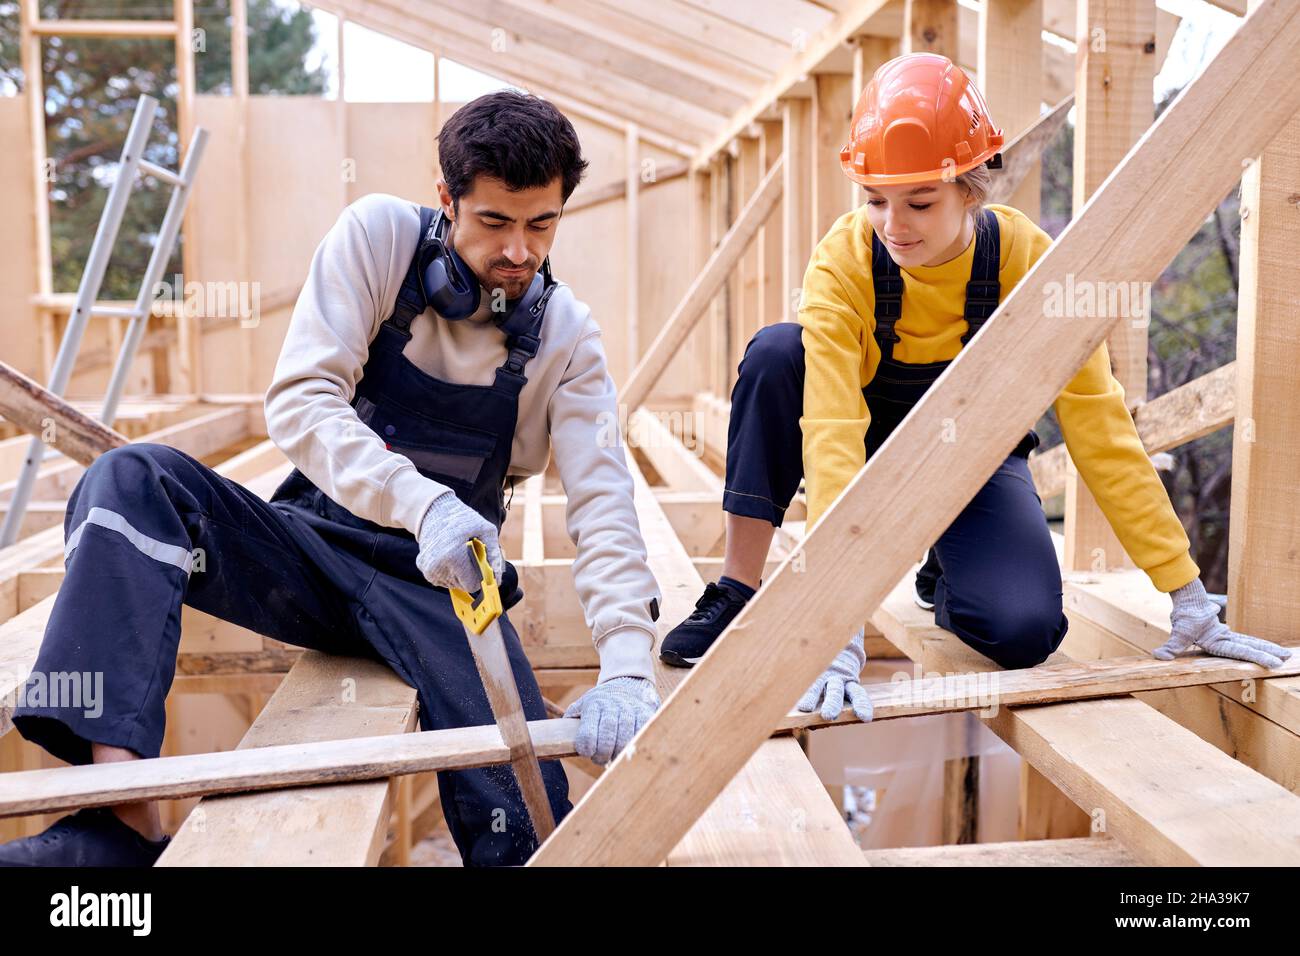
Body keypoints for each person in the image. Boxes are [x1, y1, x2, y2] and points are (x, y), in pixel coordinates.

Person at [2, 91, 662, 867]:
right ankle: (122, 825)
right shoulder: (379, 238)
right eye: (494, 222)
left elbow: (604, 504)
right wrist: (424, 506)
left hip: (443, 594)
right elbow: (302, 402)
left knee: (528, 818)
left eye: (540, 225)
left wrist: (625, 668)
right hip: (311, 552)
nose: (519, 251)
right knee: (131, 480)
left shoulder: (567, 337)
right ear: (447, 199)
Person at [659, 53, 1290, 723]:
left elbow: (1099, 427)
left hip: (972, 457)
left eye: (919, 201)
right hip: (865, 447)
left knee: (1025, 633)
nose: (893, 225)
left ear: (971, 187)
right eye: (876, 200)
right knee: (778, 353)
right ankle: (737, 588)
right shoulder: (844, 260)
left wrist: (1186, 596)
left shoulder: (1025, 260)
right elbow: (833, 436)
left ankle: (945, 571)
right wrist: (837, 628)